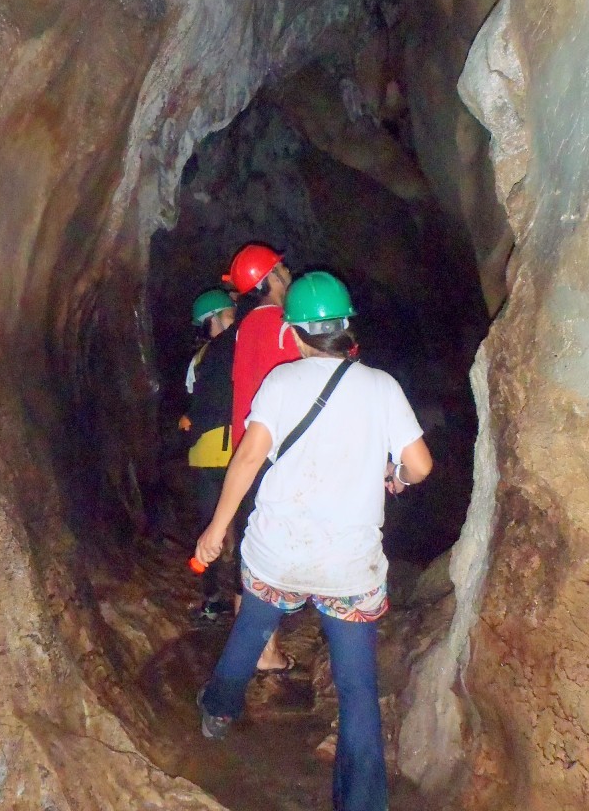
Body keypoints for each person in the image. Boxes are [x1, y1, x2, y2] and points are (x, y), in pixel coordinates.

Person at [194, 271, 433, 811]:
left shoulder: (280, 382)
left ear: (296, 333)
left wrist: (215, 530)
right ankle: (364, 802)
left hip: (278, 553)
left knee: (253, 626)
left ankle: (218, 710)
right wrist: (395, 474)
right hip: (348, 567)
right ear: (347, 327)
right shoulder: (382, 387)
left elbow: (249, 458)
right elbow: (420, 465)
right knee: (356, 688)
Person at [223, 243, 300, 672]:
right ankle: (265, 653)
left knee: (249, 551)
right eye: (283, 270)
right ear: (269, 280)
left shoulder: (246, 327)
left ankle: (253, 648)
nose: (288, 275)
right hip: (273, 457)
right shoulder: (280, 327)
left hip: (247, 453)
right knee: (270, 555)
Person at [182, 288, 237, 623]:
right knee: (234, 527)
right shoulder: (232, 351)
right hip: (230, 455)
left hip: (208, 455)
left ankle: (214, 598)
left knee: (212, 527)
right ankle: (220, 597)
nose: (234, 318)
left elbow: (193, 404)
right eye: (229, 314)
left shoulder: (199, 359)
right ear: (214, 319)